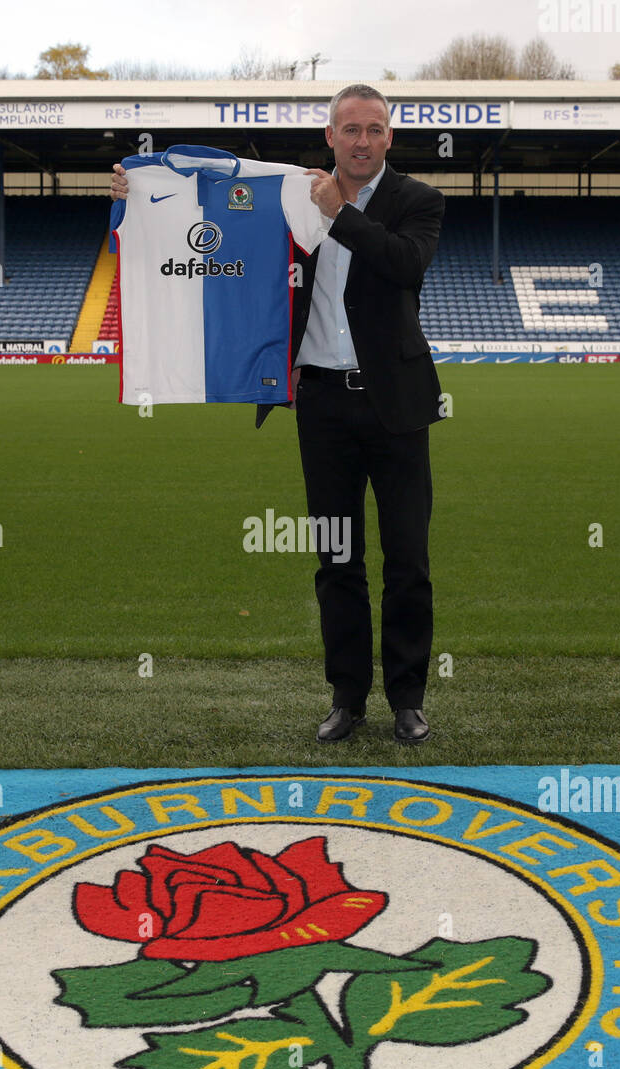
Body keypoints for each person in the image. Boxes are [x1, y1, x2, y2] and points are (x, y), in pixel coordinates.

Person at [110, 83, 445, 744]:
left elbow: (405, 264)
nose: (361, 140)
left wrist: (340, 213)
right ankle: (347, 698)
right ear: (330, 136)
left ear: (389, 137)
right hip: (320, 402)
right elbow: (216, 227)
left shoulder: (419, 200)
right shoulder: (291, 198)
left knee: (408, 559)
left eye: (374, 129)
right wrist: (142, 199)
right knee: (336, 558)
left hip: (397, 405)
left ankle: (408, 697)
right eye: (349, 128)